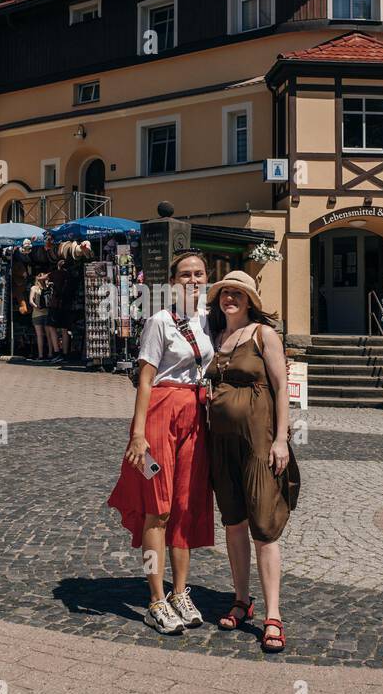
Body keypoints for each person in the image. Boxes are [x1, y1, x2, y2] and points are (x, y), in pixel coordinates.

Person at [108, 251, 214, 634]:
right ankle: (155, 599)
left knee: (186, 505)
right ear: (172, 283)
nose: (192, 280)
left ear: (206, 277)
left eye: (198, 273)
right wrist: (137, 434)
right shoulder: (158, 321)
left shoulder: (207, 320)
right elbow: (146, 380)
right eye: (184, 274)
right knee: (159, 508)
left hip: (195, 415)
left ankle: (180, 592)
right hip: (161, 415)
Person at [205, 271, 298, 654]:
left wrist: (281, 439)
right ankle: (242, 599)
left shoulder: (264, 335)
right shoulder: (216, 338)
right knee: (233, 523)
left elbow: (280, 389)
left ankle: (273, 614)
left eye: (238, 294)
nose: (230, 299)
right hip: (221, 444)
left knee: (264, 526)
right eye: (225, 293)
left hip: (258, 443)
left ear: (250, 301)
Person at [28, 272, 51, 361]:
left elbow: (30, 301)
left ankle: (41, 355)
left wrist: (37, 307)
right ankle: (50, 354)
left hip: (36, 313)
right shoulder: (47, 288)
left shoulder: (34, 288)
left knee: (39, 335)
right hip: (46, 313)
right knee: (48, 335)